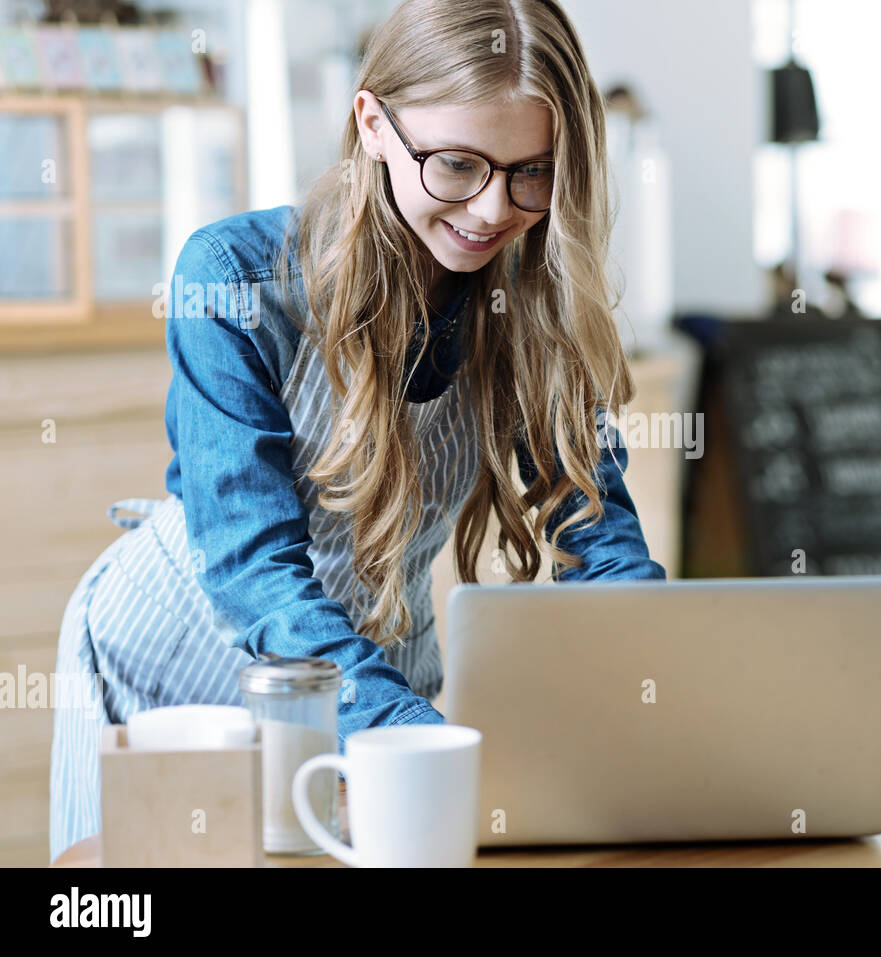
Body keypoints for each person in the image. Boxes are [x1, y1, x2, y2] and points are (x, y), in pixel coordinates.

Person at [48, 0, 665, 862]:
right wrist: (407, 731)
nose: (493, 210)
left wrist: (663, 691)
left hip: (369, 673)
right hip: (172, 676)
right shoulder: (234, 279)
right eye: (456, 164)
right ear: (373, 123)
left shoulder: (532, 305)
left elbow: (599, 539)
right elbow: (255, 573)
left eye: (532, 173)